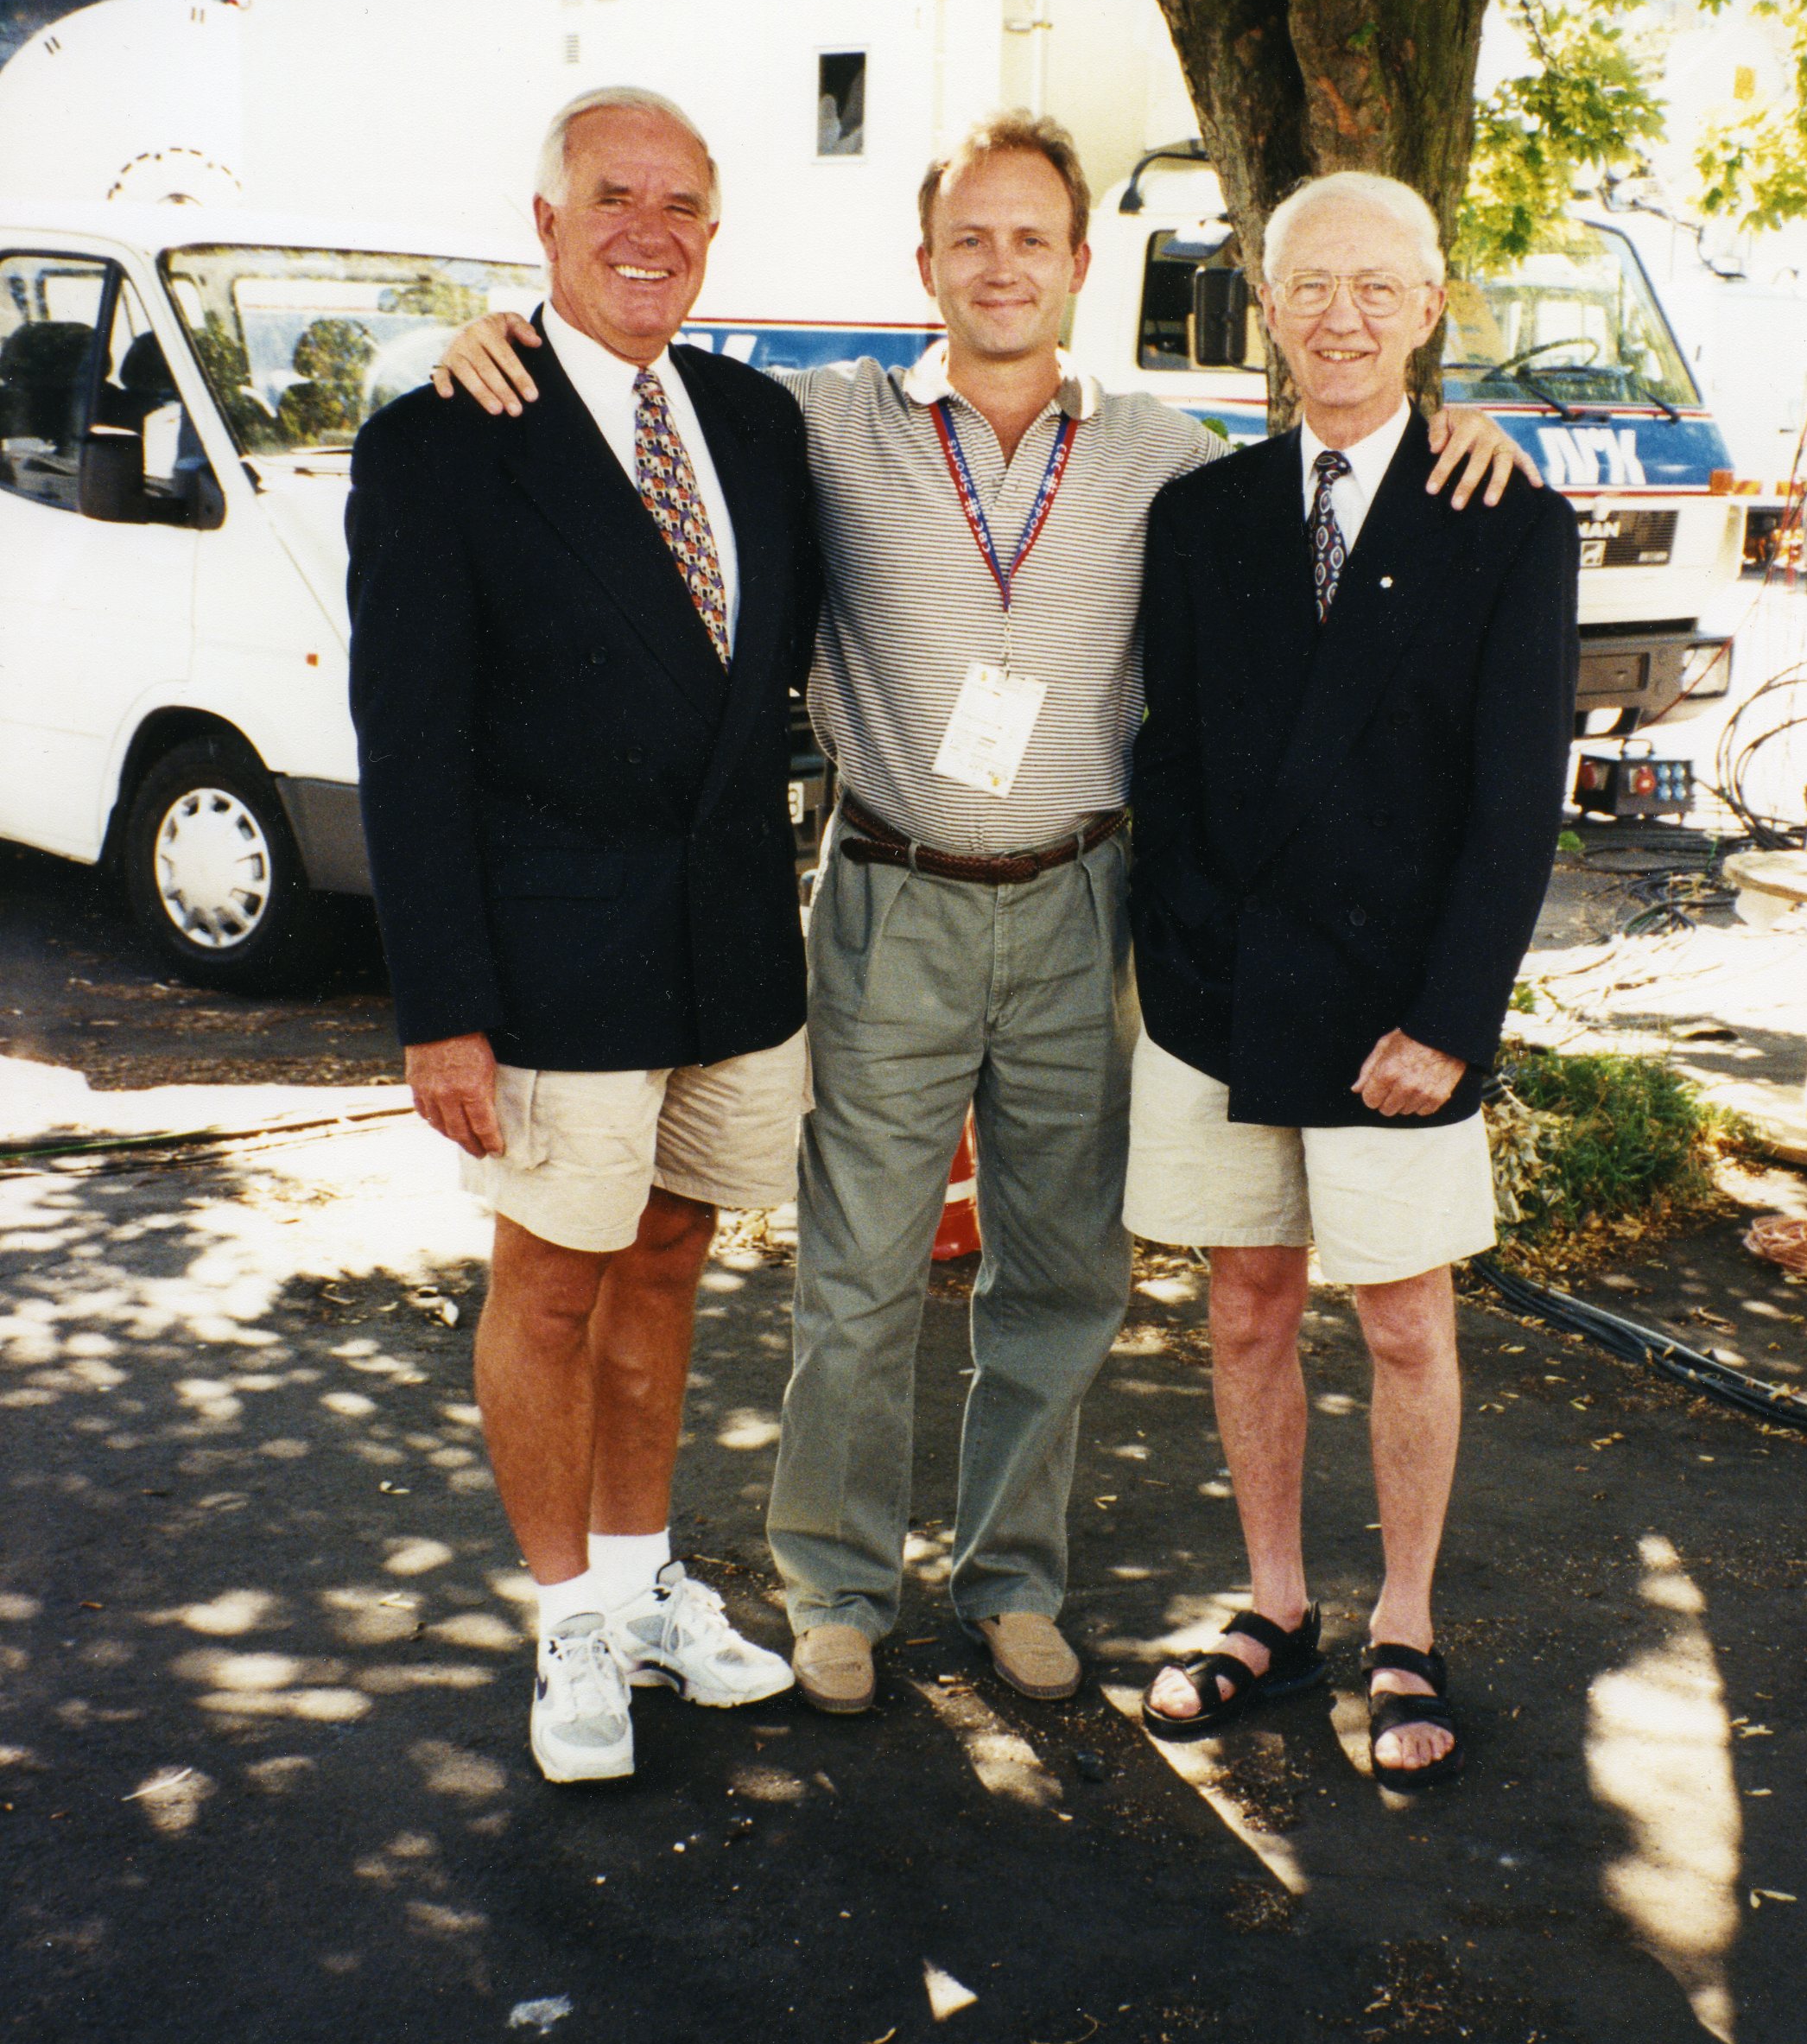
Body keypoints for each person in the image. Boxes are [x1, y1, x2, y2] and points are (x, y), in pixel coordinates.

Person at [433, 116, 1526, 1721]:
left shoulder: (1169, 458)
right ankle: (839, 1589)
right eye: (971, 239)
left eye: (1033, 239)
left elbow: (1348, 473)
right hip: (889, 899)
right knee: (856, 1273)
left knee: (1060, 1274)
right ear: (926, 264)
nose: (1001, 266)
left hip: (1084, 905)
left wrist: (1468, 430)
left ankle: (1015, 1584)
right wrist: (484, 334)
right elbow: (624, 382)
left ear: (1081, 265)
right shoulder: (817, 422)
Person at [347, 87, 820, 1783]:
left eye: (683, 202)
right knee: (548, 1293)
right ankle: (564, 1627)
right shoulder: (439, 436)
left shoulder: (761, 428)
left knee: (673, 1267)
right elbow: (406, 753)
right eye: (611, 196)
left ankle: (641, 1590)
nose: (650, 228)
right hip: (548, 977)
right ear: (540, 224)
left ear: (714, 232)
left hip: (727, 963)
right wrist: (442, 1010)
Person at [1126, 169, 1579, 1788]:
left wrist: (1451, 1022)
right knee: (1244, 1308)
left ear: (1432, 304)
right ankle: (1272, 1607)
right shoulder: (1201, 514)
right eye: (1311, 285)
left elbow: (1519, 801)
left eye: (1378, 290)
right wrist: (1182, 977)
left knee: (1399, 1325)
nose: (1342, 317)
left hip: (1399, 1016)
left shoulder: (1504, 518)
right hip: (1219, 1004)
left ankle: (1403, 1622)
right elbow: (1163, 765)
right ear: (1265, 302)